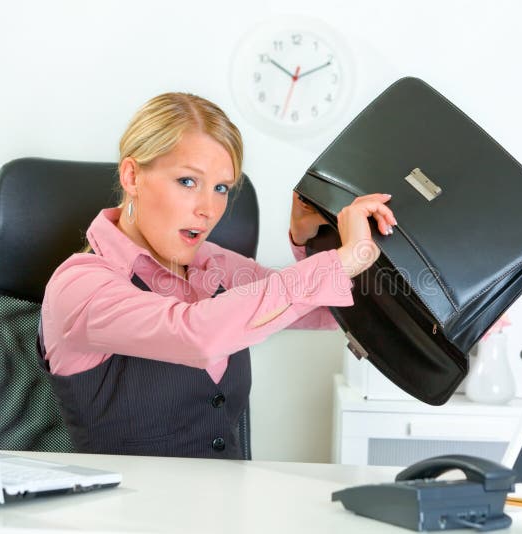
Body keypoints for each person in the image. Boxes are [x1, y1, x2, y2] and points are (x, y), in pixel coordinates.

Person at [40, 92, 396, 459]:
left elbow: (327, 313)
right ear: (132, 176)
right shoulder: (79, 286)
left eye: (222, 188)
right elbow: (197, 335)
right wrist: (340, 261)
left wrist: (315, 242)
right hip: (126, 509)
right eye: (187, 182)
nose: (208, 210)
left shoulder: (213, 265)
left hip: (228, 505)